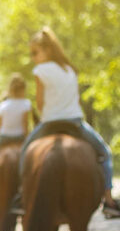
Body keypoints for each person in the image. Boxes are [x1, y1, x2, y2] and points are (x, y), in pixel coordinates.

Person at [18, 27, 120, 218]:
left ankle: (22, 196)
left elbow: (39, 104)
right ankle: (108, 199)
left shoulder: (40, 71)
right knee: (104, 153)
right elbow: (76, 99)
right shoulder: (70, 70)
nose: (32, 57)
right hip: (75, 122)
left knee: (25, 152)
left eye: (34, 52)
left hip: (49, 123)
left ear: (47, 50)